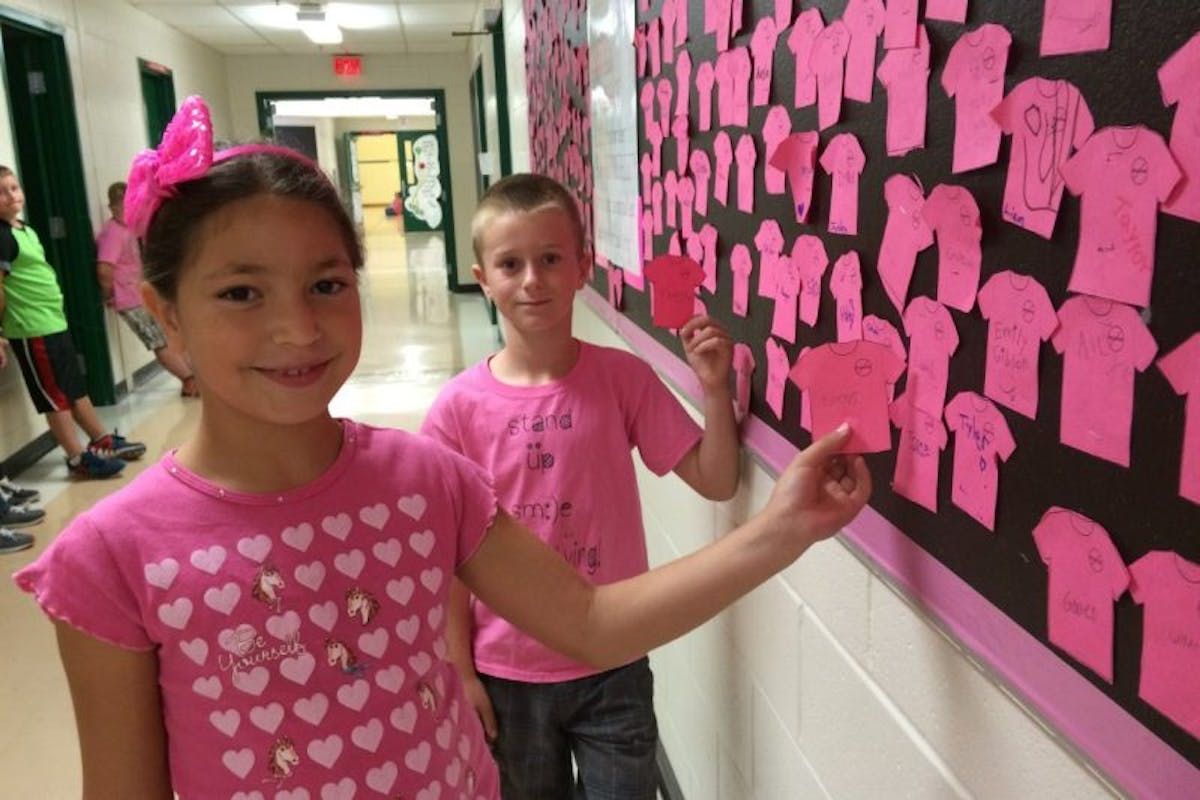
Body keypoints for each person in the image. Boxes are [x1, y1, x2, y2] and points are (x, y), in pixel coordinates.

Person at [13, 96, 871, 799]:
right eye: (241, 291)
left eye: (326, 284)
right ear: (167, 315)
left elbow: (592, 622)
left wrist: (784, 525)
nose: (297, 327)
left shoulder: (425, 481)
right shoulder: (111, 557)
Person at [421, 173, 738, 799]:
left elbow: (718, 480)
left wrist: (715, 391)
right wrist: (459, 670)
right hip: (507, 673)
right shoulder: (456, 412)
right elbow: (448, 562)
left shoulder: (623, 379)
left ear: (582, 268)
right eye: (510, 264)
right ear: (482, 278)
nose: (532, 280)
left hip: (613, 666)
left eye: (550, 259)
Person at [0, 168, 144, 478]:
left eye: (14, 187)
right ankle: (77, 458)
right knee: (56, 397)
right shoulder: (1, 237)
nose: (12, 195)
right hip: (30, 329)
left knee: (74, 387)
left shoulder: (25, 230)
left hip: (53, 322)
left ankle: (101, 440)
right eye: (3, 192)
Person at [96, 181, 198, 397]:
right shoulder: (113, 233)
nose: (124, 210)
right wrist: (107, 295)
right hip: (129, 299)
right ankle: (189, 380)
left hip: (140, 293)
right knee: (157, 342)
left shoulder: (130, 229)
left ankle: (193, 377)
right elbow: (105, 269)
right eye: (119, 206)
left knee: (167, 336)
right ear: (111, 208)